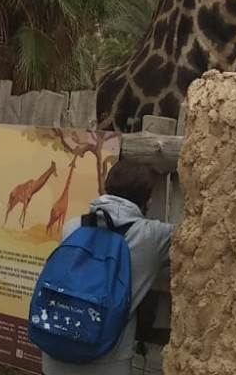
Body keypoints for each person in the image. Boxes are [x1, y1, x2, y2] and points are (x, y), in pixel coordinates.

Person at [41, 158, 173, 375]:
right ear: (147, 202)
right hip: (108, 364)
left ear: (106, 189)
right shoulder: (152, 237)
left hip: (55, 353)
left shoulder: (73, 226)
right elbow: (197, 234)